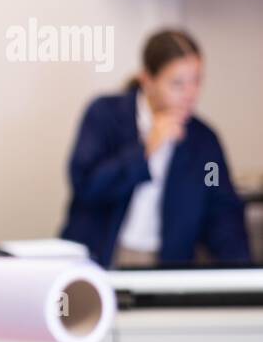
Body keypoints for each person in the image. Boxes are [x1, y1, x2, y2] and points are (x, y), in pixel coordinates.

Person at [61, 28, 249, 268]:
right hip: (102, 258)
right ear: (148, 80)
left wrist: (243, 275)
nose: (191, 94)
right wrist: (145, 150)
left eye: (197, 81)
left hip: (166, 265)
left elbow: (220, 208)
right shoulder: (104, 115)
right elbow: (86, 185)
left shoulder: (204, 144)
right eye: (178, 84)